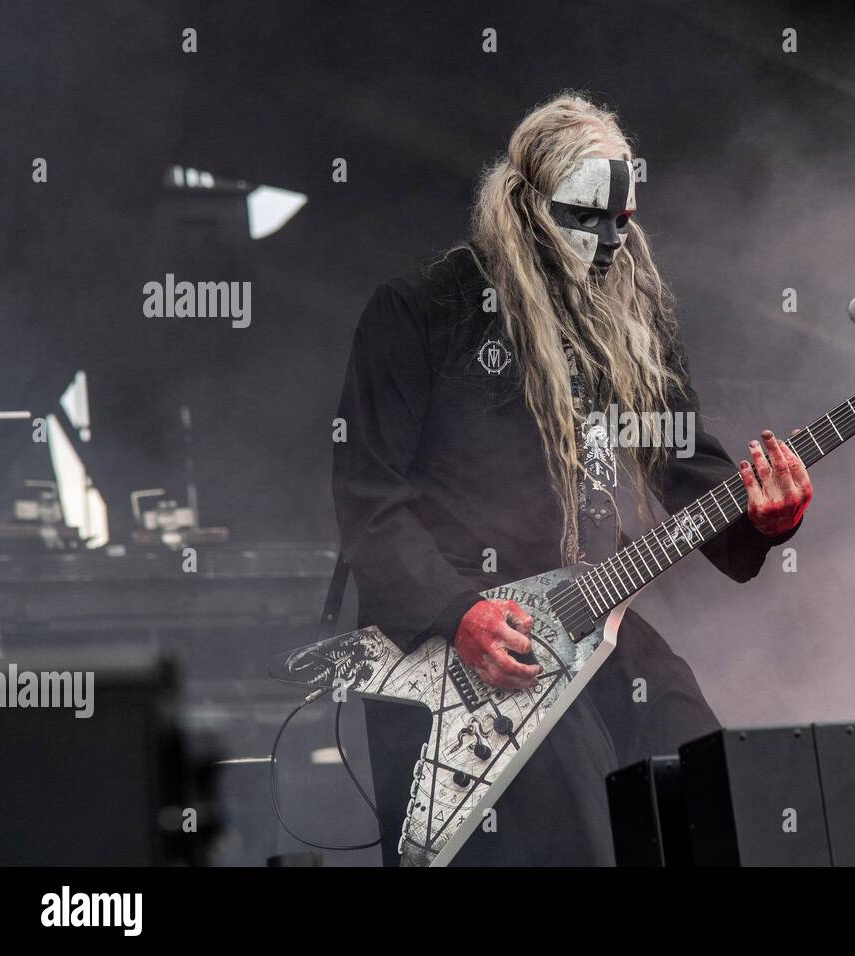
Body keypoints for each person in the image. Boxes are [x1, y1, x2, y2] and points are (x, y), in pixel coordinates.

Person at [333, 92, 812, 865]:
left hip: (594, 617)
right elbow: (368, 499)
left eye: (625, 222)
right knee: (576, 840)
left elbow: (685, 466)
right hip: (467, 642)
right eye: (589, 219)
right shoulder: (424, 311)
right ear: (524, 208)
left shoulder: (624, 322)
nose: (613, 241)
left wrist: (764, 519)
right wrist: (460, 613)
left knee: (714, 790)